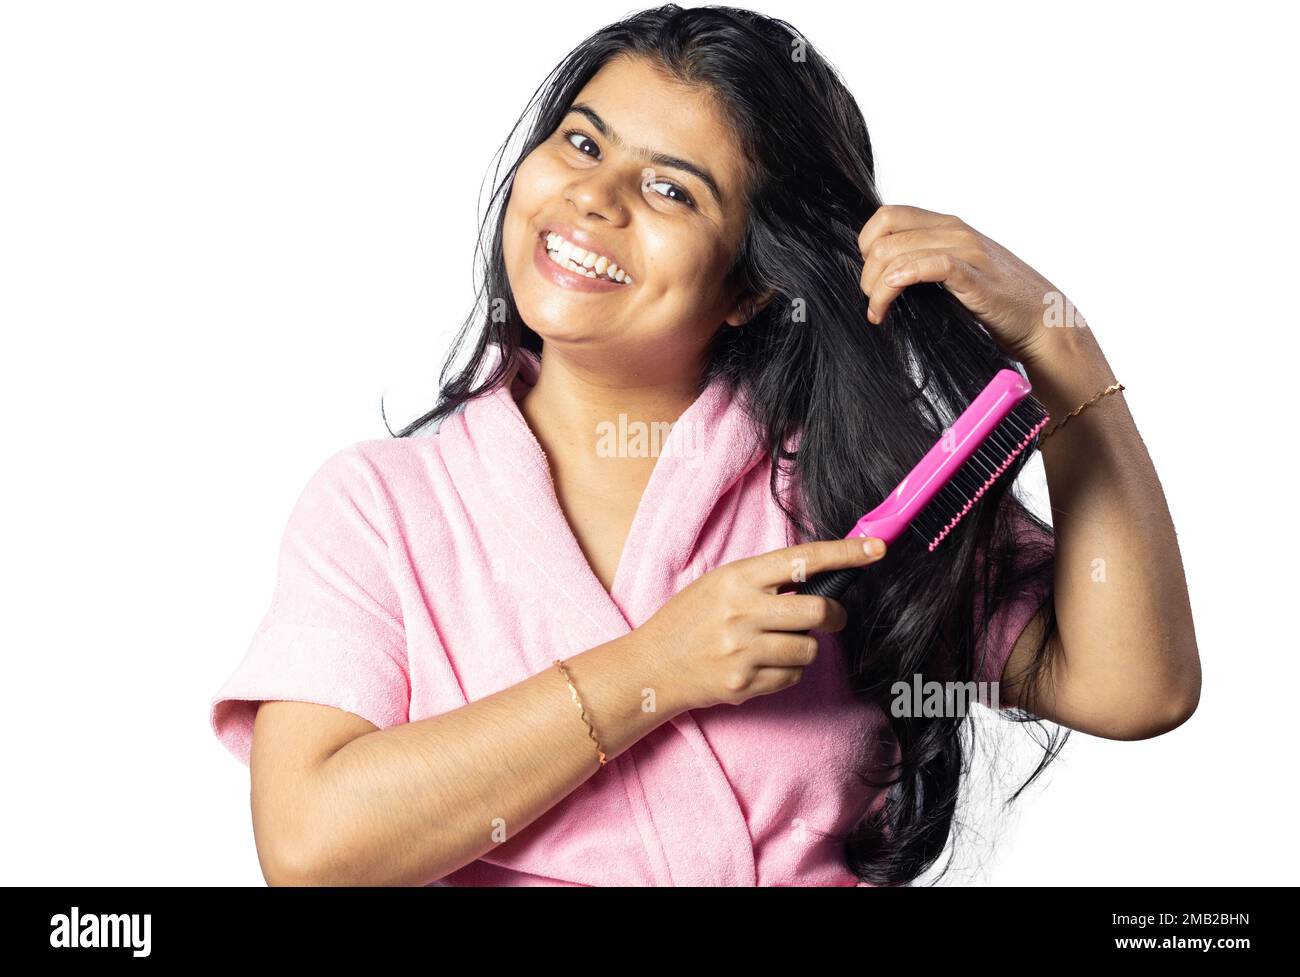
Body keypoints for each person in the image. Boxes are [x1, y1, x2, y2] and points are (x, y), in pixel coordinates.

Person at [209, 4, 1200, 887]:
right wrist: (656, 667)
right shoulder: (378, 508)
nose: (597, 199)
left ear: (751, 284)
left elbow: (1135, 686)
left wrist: (1062, 347)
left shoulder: (843, 494)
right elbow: (310, 846)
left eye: (672, 191)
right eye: (582, 143)